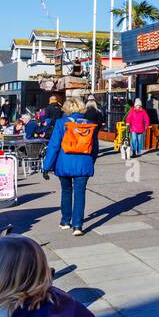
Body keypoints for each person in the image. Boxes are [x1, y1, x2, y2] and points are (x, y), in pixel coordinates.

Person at [42, 94, 98, 236]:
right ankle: (78, 225)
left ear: (67, 108)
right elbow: (95, 148)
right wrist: (91, 161)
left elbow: (54, 146)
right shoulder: (89, 124)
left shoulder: (61, 123)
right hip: (83, 162)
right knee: (80, 194)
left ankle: (66, 221)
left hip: (64, 162)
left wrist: (46, 166)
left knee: (66, 191)